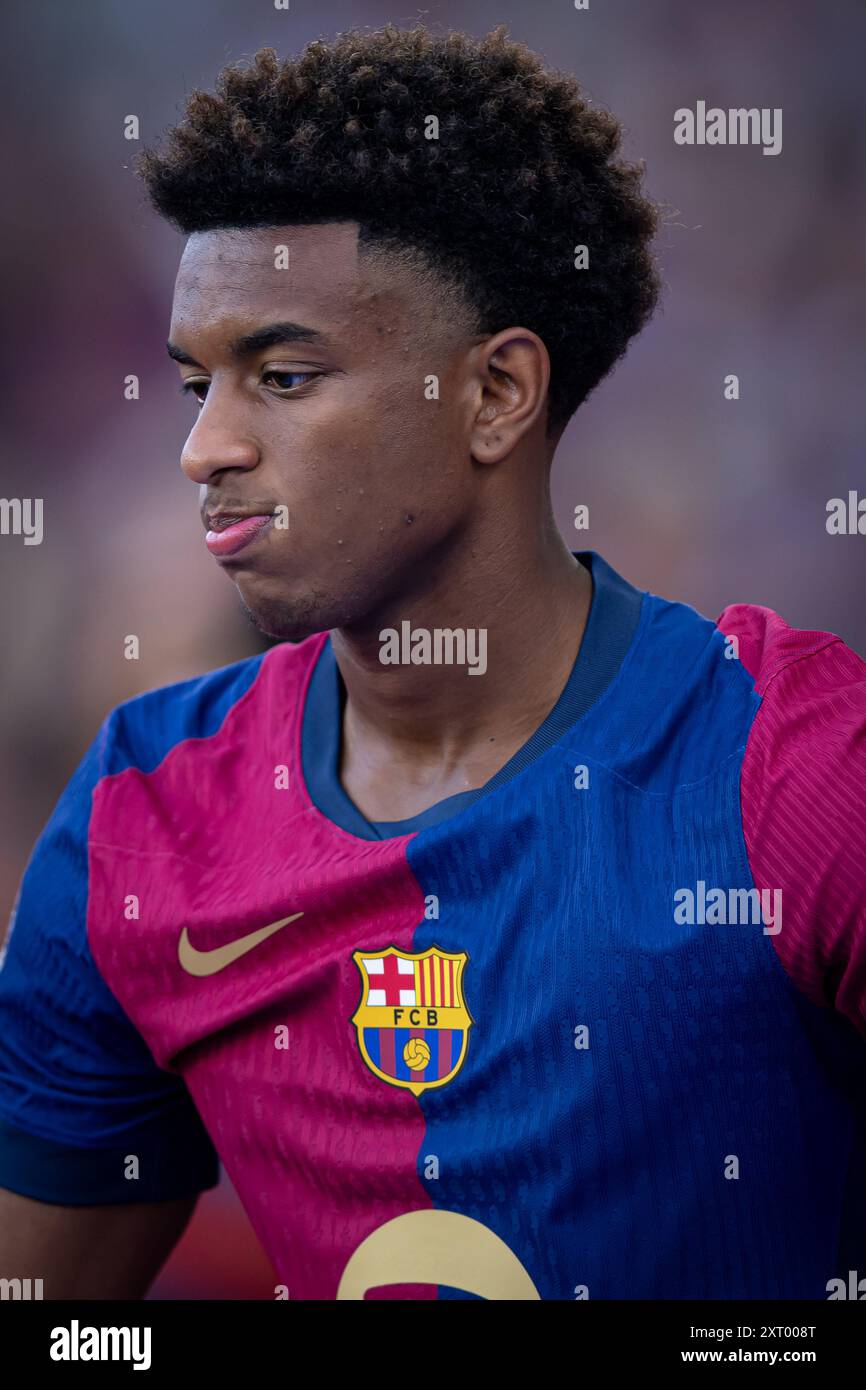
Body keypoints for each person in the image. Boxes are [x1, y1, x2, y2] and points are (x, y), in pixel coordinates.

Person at [1, 24, 864, 1301]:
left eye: (282, 376)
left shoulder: (796, 769)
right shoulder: (141, 816)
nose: (206, 450)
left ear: (495, 396)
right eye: (196, 386)